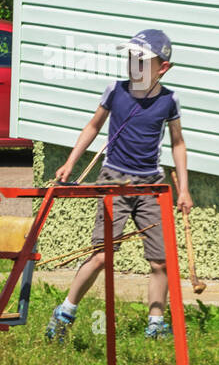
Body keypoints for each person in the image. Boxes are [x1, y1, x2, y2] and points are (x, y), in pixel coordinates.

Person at [46, 28, 192, 341]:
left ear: (162, 68)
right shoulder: (116, 90)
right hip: (114, 180)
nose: (133, 65)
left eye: (141, 60)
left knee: (160, 260)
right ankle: (65, 311)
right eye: (130, 58)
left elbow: (178, 144)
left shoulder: (169, 101)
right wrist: (71, 162)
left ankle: (155, 324)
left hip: (151, 186)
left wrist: (184, 190)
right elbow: (93, 125)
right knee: (101, 255)